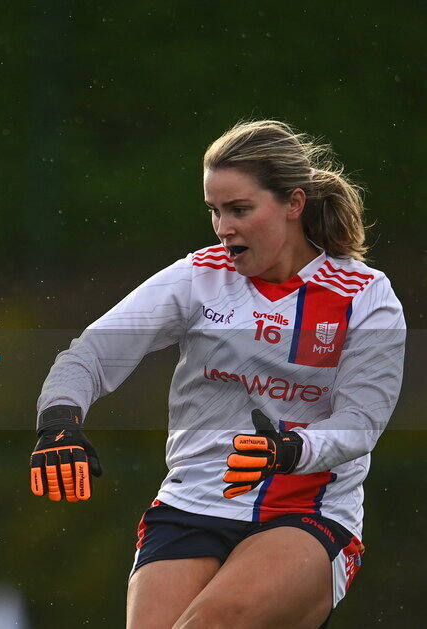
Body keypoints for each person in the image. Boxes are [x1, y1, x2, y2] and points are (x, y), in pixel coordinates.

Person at [29, 120, 405, 629]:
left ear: (294, 205)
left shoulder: (364, 295)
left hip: (305, 511)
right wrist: (58, 422)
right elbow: (88, 355)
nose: (223, 228)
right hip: (191, 505)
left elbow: (362, 420)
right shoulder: (198, 278)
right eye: (215, 211)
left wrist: (288, 451)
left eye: (240, 210)